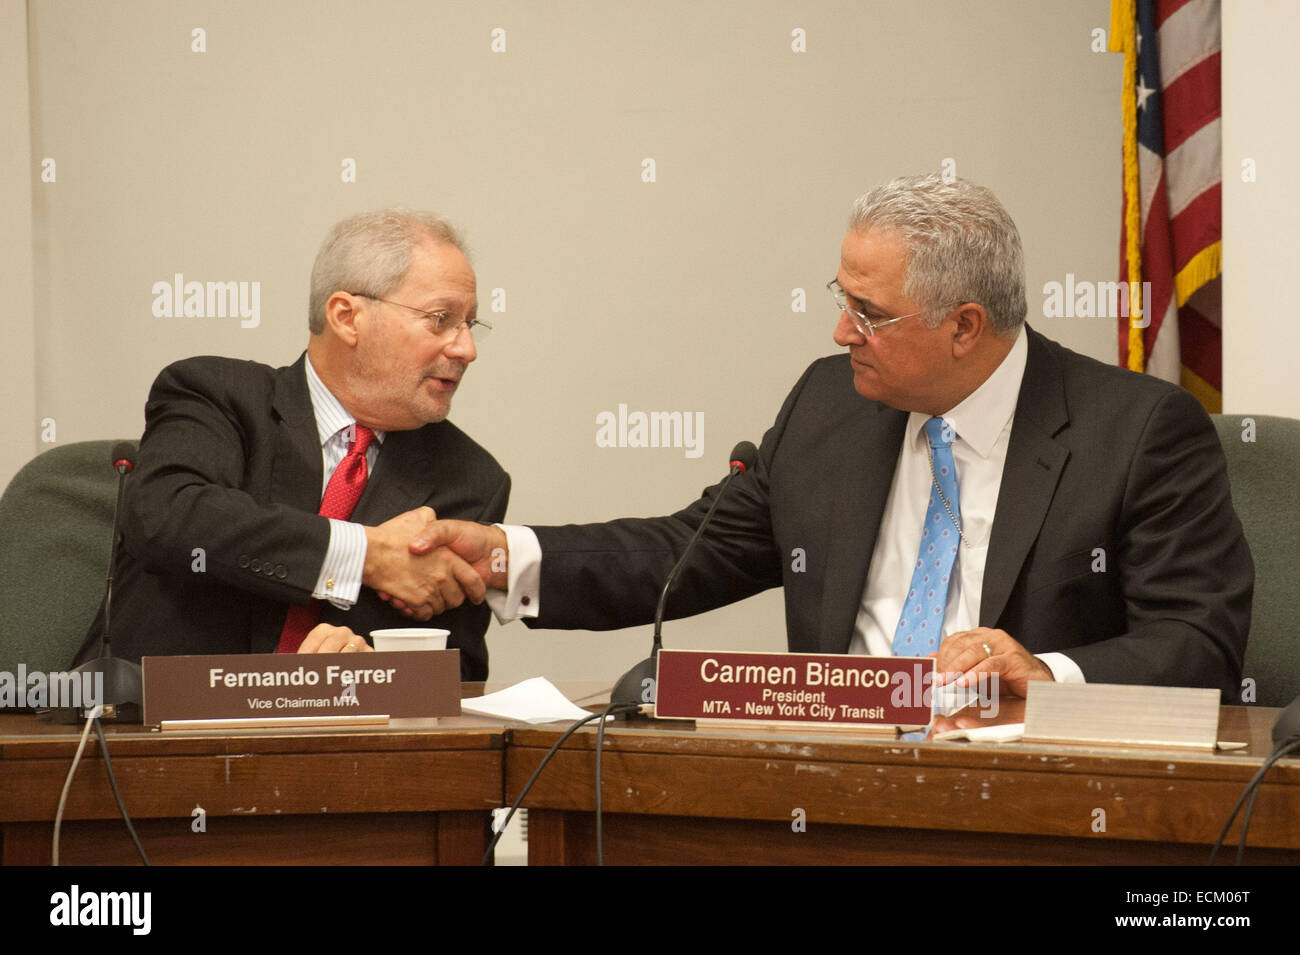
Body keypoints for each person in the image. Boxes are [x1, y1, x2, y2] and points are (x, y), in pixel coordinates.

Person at [402, 175, 1252, 699]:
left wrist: (1045, 674)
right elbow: (683, 551)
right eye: (841, 297)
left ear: (965, 325)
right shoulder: (830, 406)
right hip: (831, 782)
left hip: (1034, 790)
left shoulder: (1137, 431)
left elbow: (1198, 643)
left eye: (869, 314)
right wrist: (503, 557)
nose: (841, 331)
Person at [75, 210, 507, 679]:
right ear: (347, 317)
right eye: (441, 319)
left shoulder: (468, 478)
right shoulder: (216, 394)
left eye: (469, 324)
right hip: (148, 730)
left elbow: (458, 673)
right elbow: (168, 517)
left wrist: (380, 673)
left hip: (338, 747)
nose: (466, 349)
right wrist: (365, 554)